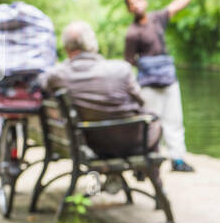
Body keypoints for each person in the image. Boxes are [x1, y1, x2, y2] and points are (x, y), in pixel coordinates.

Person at [40, 21, 161, 159]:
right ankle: (152, 176)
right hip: (131, 143)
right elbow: (141, 101)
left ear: (67, 49)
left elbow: (42, 83)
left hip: (89, 145)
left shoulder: (57, 75)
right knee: (154, 119)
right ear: (93, 45)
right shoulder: (121, 69)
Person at [123, 0, 206, 172]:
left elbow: (176, 6)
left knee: (174, 120)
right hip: (149, 84)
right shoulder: (132, 33)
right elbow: (128, 61)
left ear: (145, 2)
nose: (136, 6)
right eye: (131, 4)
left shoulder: (157, 18)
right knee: (150, 123)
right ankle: (146, 162)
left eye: (138, 1)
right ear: (129, 9)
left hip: (168, 80)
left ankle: (177, 159)